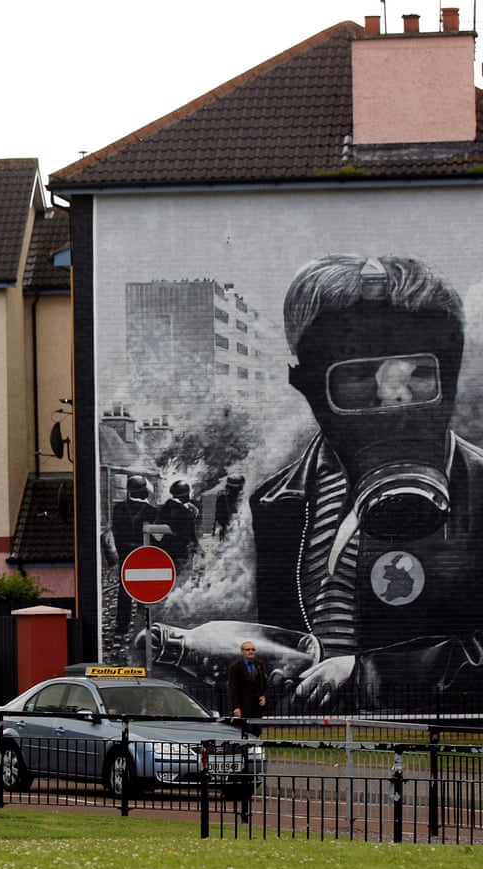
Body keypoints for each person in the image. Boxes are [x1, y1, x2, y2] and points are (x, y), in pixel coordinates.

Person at [248, 254, 483, 712]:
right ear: (308, 386)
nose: (394, 397)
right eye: (357, 375)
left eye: (419, 373)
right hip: (312, 762)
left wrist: (369, 674)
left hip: (431, 759)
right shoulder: (278, 503)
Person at [109, 474, 158, 634]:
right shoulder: (151, 511)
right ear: (144, 491)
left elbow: (116, 533)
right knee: (145, 589)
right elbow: (156, 538)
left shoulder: (119, 509)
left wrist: (123, 553)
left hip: (126, 555)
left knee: (125, 590)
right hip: (144, 554)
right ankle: (143, 625)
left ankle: (122, 626)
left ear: (129, 491)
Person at [156, 480, 199, 569]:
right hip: (180, 555)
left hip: (163, 553)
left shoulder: (165, 508)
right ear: (186, 495)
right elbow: (192, 538)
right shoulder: (186, 513)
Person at [227, 641, 267, 735]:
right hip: (243, 706)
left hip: (257, 706)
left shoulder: (259, 665)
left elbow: (265, 684)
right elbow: (232, 689)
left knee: (257, 731)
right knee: (246, 731)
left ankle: (256, 749)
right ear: (242, 652)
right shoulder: (235, 667)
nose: (251, 651)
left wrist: (264, 696)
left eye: (253, 649)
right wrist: (236, 707)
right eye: (248, 649)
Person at [213, 474, 245, 540]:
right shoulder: (241, 500)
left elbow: (218, 518)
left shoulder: (221, 498)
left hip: (227, 532)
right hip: (235, 533)